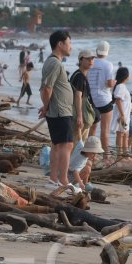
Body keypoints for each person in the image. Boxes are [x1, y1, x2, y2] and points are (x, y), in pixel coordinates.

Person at [39, 29, 75, 191]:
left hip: (58, 109)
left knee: (57, 144)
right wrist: (46, 107)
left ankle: (54, 179)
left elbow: (45, 88)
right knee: (66, 145)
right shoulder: (55, 63)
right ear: (60, 44)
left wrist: (46, 106)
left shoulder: (52, 62)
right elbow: (47, 88)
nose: (71, 47)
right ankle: (63, 179)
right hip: (60, 110)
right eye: (69, 43)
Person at [85, 41, 116, 156]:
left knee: (92, 129)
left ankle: (90, 155)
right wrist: (114, 83)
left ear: (97, 51)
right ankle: (106, 156)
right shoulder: (108, 65)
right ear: (107, 52)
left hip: (91, 100)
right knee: (105, 130)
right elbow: (108, 84)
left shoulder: (90, 63)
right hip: (104, 100)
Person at [70, 50, 97, 151]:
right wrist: (80, 117)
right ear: (81, 60)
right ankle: (72, 164)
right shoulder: (80, 77)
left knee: (76, 141)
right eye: (88, 59)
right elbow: (78, 96)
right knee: (77, 142)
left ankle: (71, 163)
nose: (91, 61)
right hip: (78, 114)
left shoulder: (79, 74)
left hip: (75, 113)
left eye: (92, 59)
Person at [112, 66, 132, 158]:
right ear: (126, 76)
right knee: (121, 134)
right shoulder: (120, 86)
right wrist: (122, 115)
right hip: (122, 115)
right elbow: (118, 100)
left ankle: (125, 154)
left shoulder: (122, 86)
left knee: (125, 134)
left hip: (125, 115)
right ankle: (119, 155)